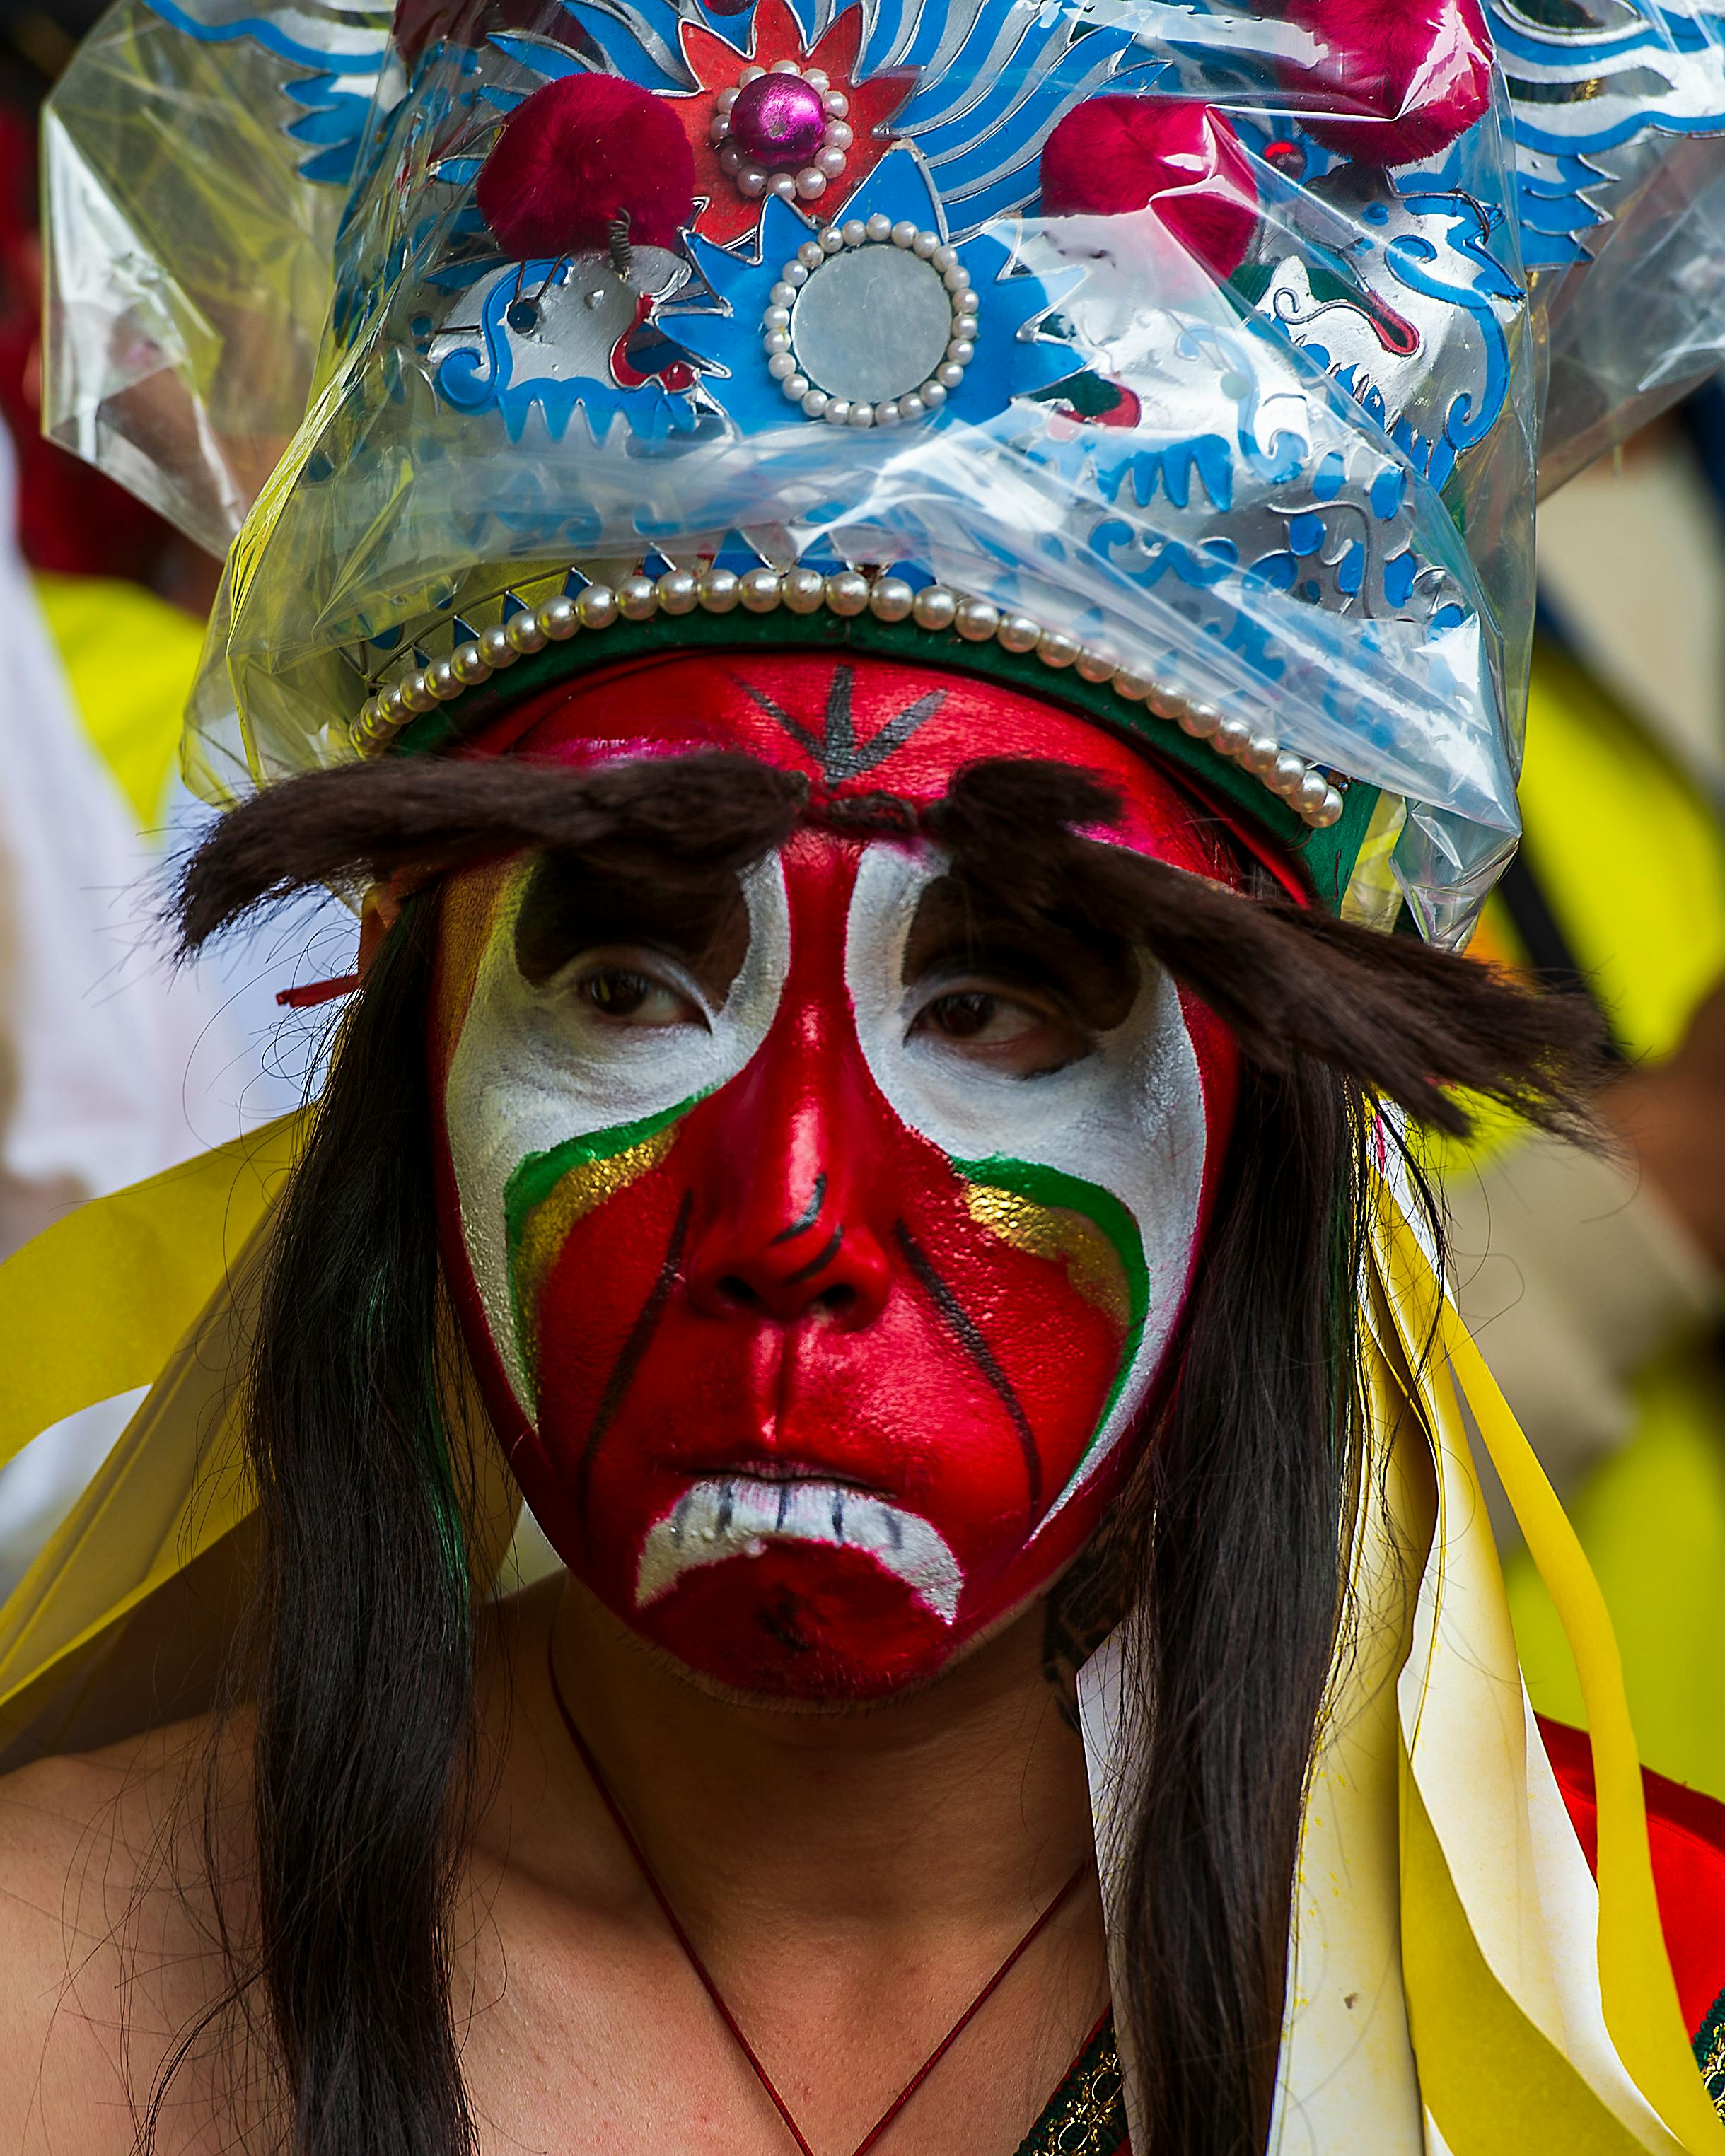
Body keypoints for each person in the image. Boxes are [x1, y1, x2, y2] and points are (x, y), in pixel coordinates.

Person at [9, 3, 1725, 2153]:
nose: (792, 1208)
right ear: (401, 1020)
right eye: (633, 976)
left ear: (1288, 1086)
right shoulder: (42, 2002)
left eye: (1005, 999)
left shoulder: (1654, 2023)